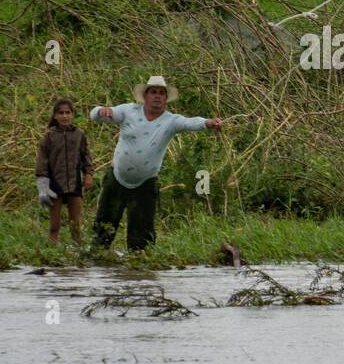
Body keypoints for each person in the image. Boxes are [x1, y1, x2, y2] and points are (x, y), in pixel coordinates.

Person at [89, 75, 223, 254]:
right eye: (153, 92)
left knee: (142, 236)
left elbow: (191, 122)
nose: (157, 96)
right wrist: (100, 111)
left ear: (166, 99)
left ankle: (140, 265)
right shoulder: (128, 111)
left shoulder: (171, 121)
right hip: (117, 179)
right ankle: (97, 259)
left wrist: (208, 123)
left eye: (161, 93)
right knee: (103, 227)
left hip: (145, 183)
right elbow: (96, 115)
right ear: (145, 96)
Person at [35, 98, 95, 245]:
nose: (64, 116)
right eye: (61, 113)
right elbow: (42, 162)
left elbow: (86, 155)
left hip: (74, 183)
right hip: (55, 183)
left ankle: (78, 253)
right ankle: (52, 251)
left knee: (76, 226)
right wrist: (42, 187)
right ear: (55, 116)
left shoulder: (79, 134)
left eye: (67, 112)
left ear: (72, 114)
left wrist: (88, 174)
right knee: (54, 226)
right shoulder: (49, 136)